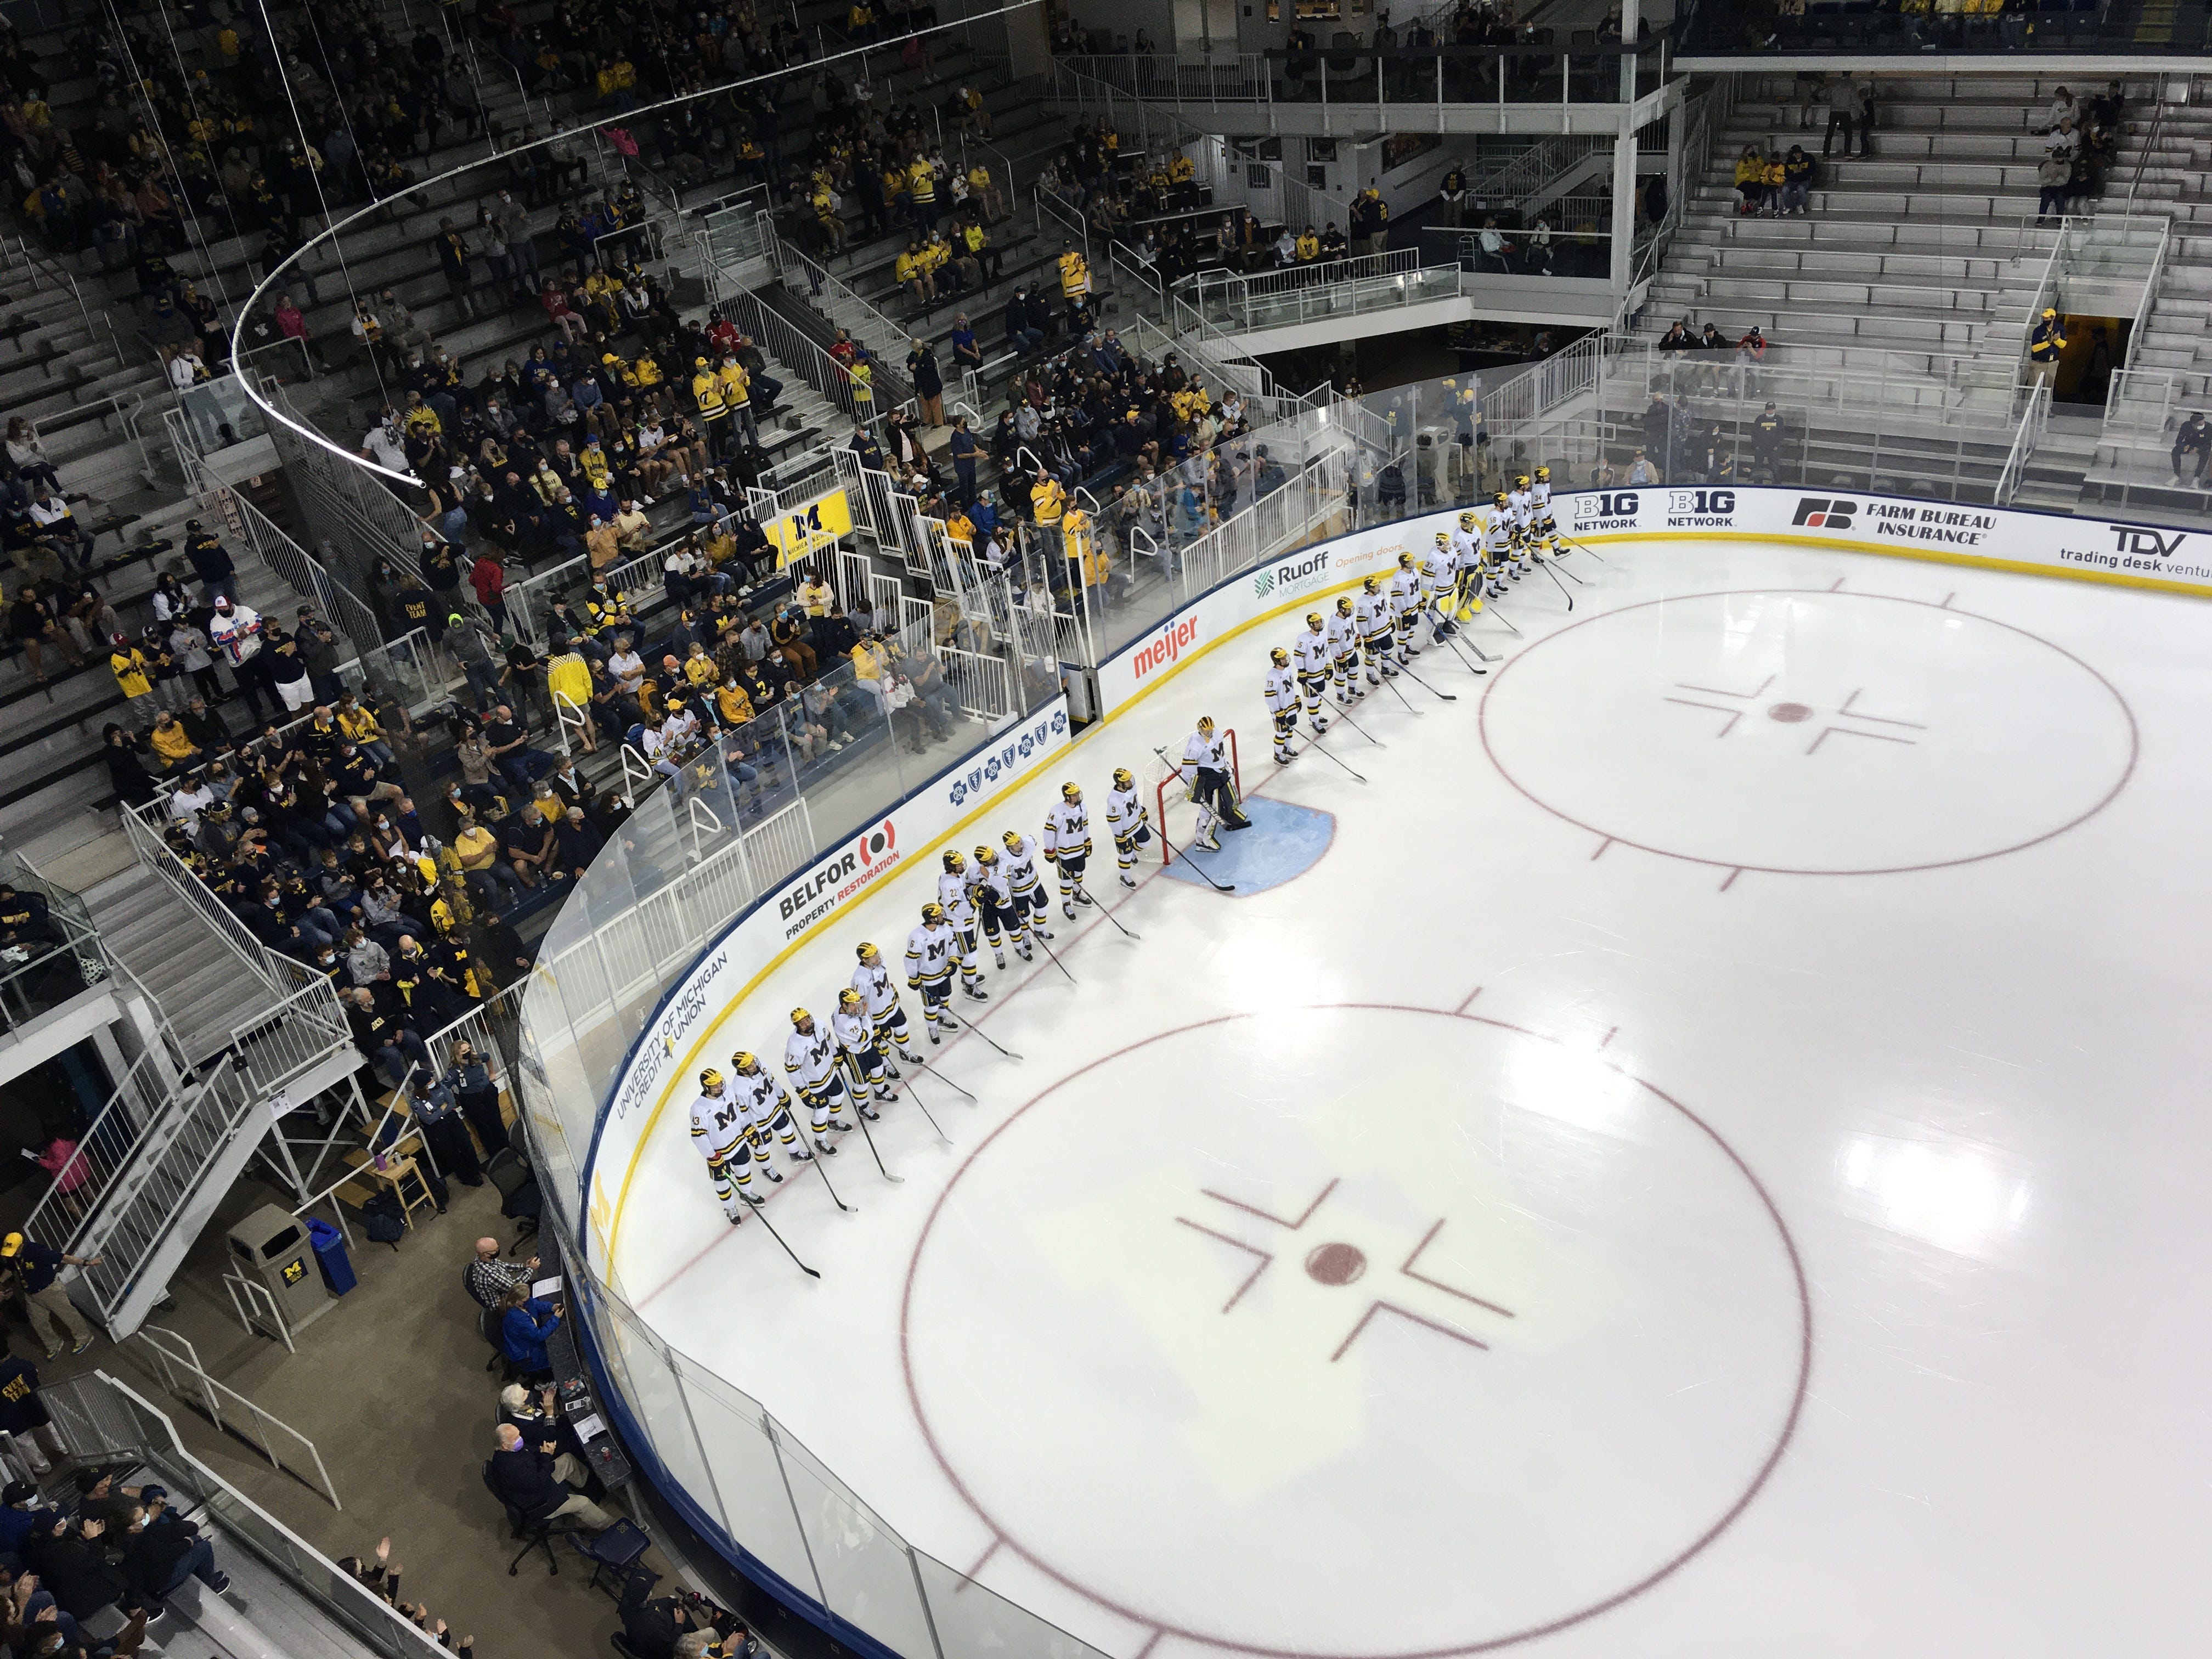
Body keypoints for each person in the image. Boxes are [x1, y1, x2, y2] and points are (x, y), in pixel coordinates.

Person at [487, 1422, 617, 1531]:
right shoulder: (510, 1468)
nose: (520, 1439)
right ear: (504, 1445)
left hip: (538, 1478)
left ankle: (588, 1487)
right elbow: (538, 1483)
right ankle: (610, 1527)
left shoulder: (511, 1449)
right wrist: (547, 1456)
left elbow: (531, 1453)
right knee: (583, 1503)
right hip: (540, 1502)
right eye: (516, 1438)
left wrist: (544, 1450)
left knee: (567, 1460)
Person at [0, 1234, 97, 1357]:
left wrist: (84, 1262)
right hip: (31, 1294)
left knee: (67, 1314)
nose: (11, 1254)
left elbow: (63, 1258)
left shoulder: (37, 1252)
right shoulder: (14, 1257)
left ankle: (85, 1337)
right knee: (38, 1322)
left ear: (21, 1245)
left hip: (49, 1290)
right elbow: (10, 1269)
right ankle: (53, 1344)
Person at [499, 1282, 562, 1379]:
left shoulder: (522, 1302)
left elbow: (535, 1304)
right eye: (526, 1299)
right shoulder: (517, 1319)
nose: (528, 1299)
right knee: (558, 1355)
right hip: (526, 1355)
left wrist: (552, 1307)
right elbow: (539, 1336)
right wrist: (555, 1319)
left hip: (529, 1340)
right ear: (519, 1301)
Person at [466, 1237, 534, 1309]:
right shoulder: (490, 1275)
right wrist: (531, 1268)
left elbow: (504, 1266)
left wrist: (524, 1266)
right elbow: (515, 1288)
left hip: (505, 1288)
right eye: (496, 1250)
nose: (498, 1250)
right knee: (536, 1301)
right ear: (486, 1254)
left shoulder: (483, 1258)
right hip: (504, 1304)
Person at [2028, 307, 2067, 392]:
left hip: (2052, 363)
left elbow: (2063, 345)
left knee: (2049, 388)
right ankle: (2029, 403)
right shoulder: (2038, 330)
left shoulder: (2060, 328)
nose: (2045, 319)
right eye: (2044, 318)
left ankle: (2047, 403)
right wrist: (2048, 343)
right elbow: (2035, 348)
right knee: (2033, 387)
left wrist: (2057, 340)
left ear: (2053, 318)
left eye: (2047, 318)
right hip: (2038, 363)